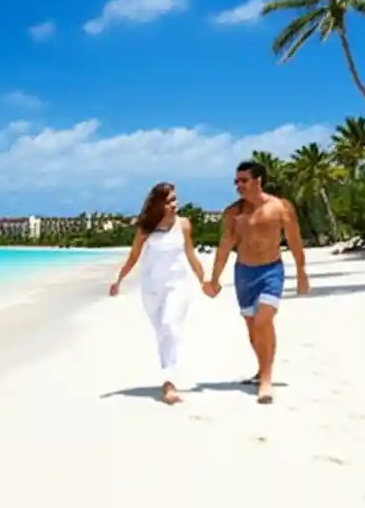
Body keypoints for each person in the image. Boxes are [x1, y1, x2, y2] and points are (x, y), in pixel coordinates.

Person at [204, 160, 309, 404]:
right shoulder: (233, 213)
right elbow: (225, 246)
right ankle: (262, 369)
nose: (238, 185)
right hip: (244, 274)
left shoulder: (280, 208)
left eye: (244, 180)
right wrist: (214, 279)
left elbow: (294, 241)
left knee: (264, 321)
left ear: (258, 180)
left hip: (271, 271)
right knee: (253, 330)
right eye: (236, 181)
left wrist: (302, 274)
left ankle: (266, 381)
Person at [109, 182, 206, 405]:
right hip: (152, 289)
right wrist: (119, 280)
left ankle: (170, 382)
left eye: (175, 199)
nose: (175, 204)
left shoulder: (184, 225)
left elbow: (191, 255)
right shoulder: (146, 229)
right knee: (163, 331)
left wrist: (204, 281)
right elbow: (133, 257)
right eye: (170, 200)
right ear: (159, 203)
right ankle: (168, 374)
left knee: (170, 325)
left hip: (178, 286)